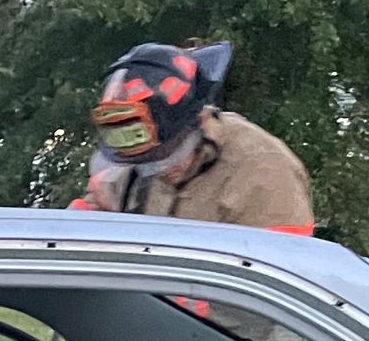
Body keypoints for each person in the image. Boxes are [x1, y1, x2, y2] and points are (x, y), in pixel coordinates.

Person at [80, 43, 312, 233]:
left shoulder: (261, 170)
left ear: (196, 121)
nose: (155, 169)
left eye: (162, 157)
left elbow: (274, 272)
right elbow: (88, 217)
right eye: (143, 163)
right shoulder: (133, 165)